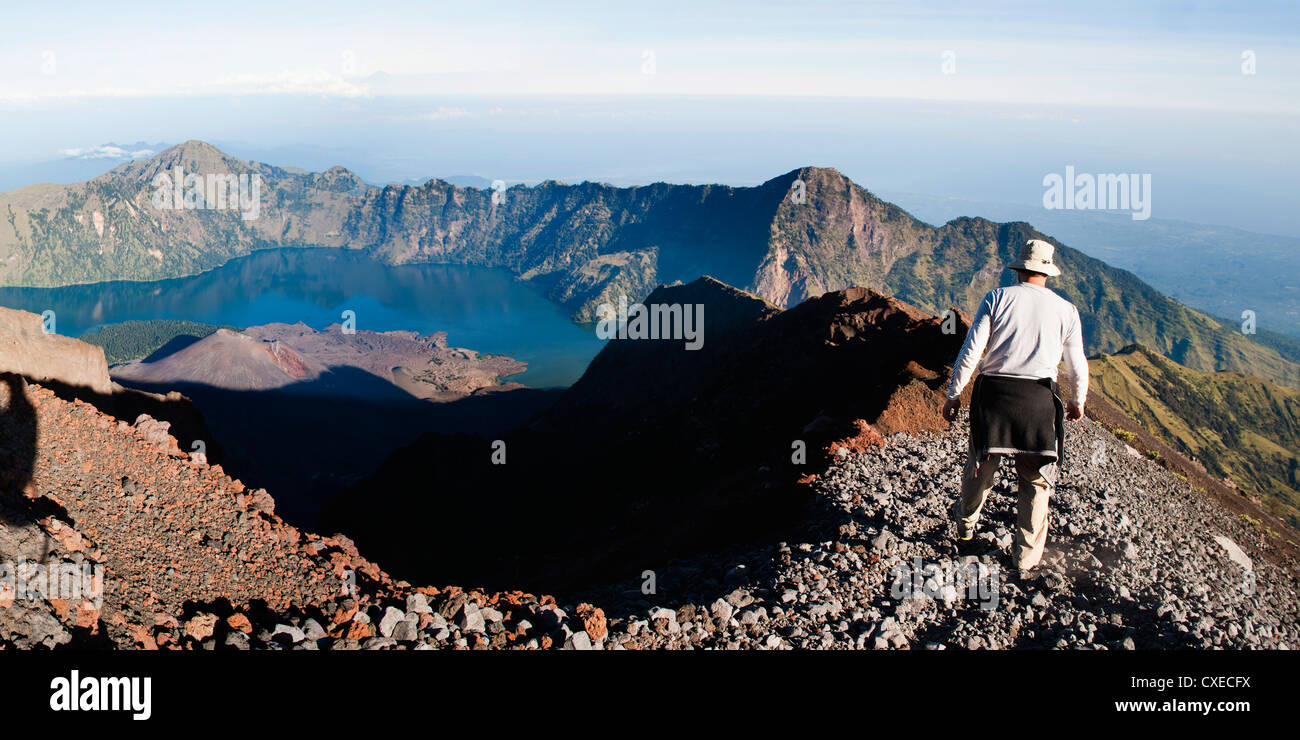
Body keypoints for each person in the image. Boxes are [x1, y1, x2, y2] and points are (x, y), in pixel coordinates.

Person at [940, 239, 1088, 575]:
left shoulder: (997, 298)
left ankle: (965, 532)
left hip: (994, 397)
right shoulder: (1067, 311)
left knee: (980, 467)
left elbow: (972, 350)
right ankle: (1025, 560)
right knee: (1035, 481)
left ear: (1019, 269)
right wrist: (1077, 402)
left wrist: (954, 393)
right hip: (1038, 401)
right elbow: (1077, 364)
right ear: (1048, 272)